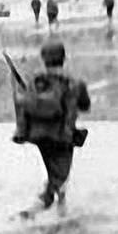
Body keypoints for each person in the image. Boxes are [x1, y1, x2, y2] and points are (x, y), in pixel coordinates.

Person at [13, 40, 91, 217]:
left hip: (38, 136)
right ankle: (34, 210)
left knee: (54, 172)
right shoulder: (74, 82)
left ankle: (60, 208)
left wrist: (22, 133)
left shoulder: (35, 80)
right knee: (60, 176)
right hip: (62, 136)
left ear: (43, 59)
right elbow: (85, 106)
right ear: (64, 58)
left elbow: (25, 106)